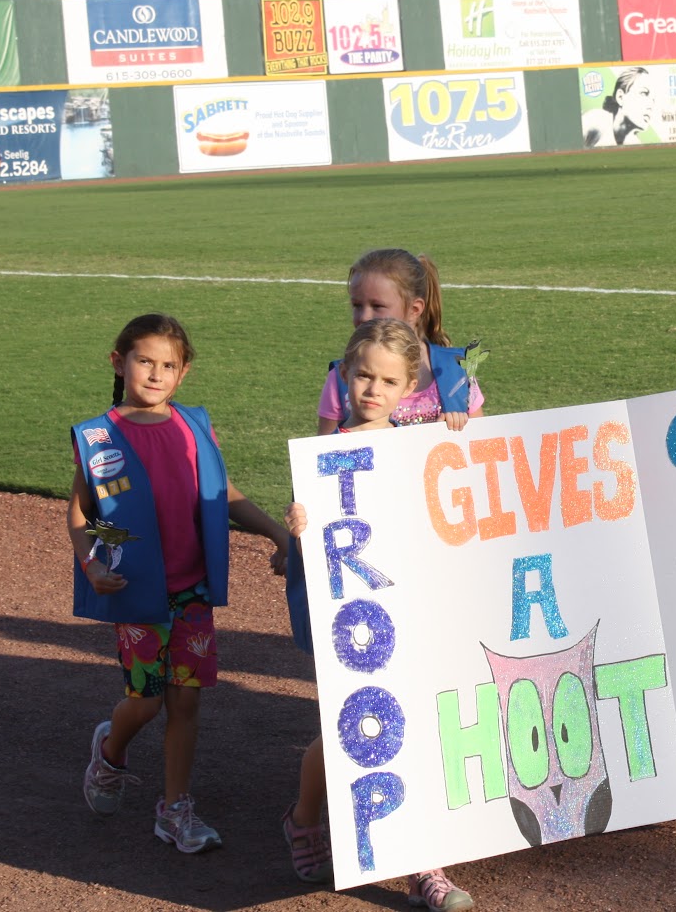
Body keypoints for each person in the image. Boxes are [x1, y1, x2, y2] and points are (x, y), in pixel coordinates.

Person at [69, 313, 290, 853]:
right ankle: (110, 751)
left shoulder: (194, 425)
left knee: (186, 702)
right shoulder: (98, 437)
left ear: (183, 371)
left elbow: (223, 492)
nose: (155, 373)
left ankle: (175, 809)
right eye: (144, 361)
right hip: (136, 591)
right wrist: (93, 564)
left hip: (192, 590)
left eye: (168, 365)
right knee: (145, 703)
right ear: (118, 362)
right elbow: (81, 513)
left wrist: (277, 533)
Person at [284, 318, 475, 910]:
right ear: (345, 376)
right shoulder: (324, 454)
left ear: (409, 386)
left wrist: (459, 438)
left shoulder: (420, 447)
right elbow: (312, 551)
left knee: (414, 727)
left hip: (408, 610)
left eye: (389, 381)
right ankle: (304, 819)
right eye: (364, 376)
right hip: (353, 620)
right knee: (347, 731)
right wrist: (299, 527)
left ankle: (424, 865)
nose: (374, 389)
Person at [316, 248, 483, 435]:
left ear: (414, 309)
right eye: (357, 305)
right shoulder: (344, 375)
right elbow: (324, 448)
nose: (364, 316)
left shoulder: (456, 370)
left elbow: (481, 442)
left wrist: (458, 430)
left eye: (377, 306)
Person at [581, 66, 655, 147]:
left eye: (653, 99)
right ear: (620, 97)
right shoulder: (596, 121)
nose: (651, 104)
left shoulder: (636, 144)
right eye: (644, 93)